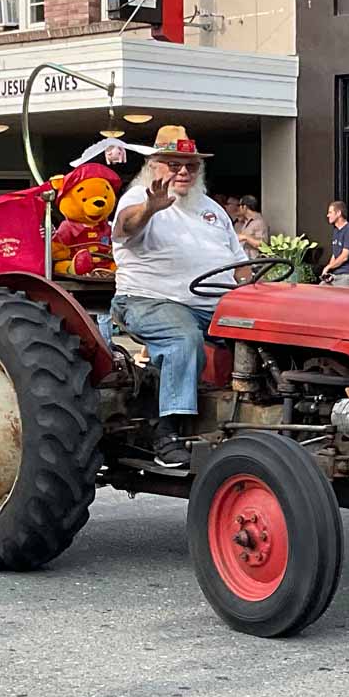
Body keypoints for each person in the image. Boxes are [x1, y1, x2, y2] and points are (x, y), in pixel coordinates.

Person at [109, 125, 249, 468]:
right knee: (182, 337)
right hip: (148, 300)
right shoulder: (139, 198)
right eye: (174, 164)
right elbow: (125, 227)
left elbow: (241, 265)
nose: (183, 171)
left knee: (267, 333)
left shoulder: (212, 210)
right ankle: (166, 431)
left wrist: (260, 296)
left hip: (214, 305)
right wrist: (150, 209)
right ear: (154, 165)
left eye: (191, 165)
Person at [321, 200, 349, 287]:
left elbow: (344, 256)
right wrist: (327, 271)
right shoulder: (336, 231)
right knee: (321, 290)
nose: (328, 215)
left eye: (330, 212)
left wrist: (328, 267)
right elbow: (335, 254)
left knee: (338, 296)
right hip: (335, 275)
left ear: (339, 213)